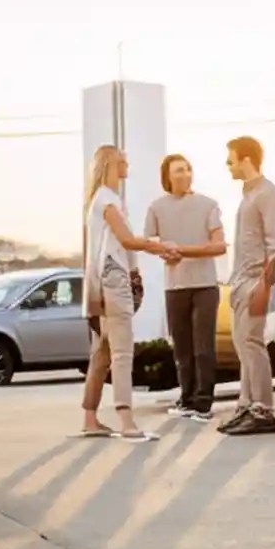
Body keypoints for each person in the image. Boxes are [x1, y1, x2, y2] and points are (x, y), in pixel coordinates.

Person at [81, 144, 176, 439]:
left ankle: (90, 420)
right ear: (110, 164)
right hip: (113, 278)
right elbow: (127, 240)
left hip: (101, 281)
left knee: (103, 353)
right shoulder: (108, 200)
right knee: (123, 352)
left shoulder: (100, 199)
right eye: (123, 161)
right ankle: (126, 421)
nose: (127, 166)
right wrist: (160, 246)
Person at [144, 154, 227, 423]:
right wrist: (164, 252)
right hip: (175, 286)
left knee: (203, 347)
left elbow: (219, 245)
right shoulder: (157, 207)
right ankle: (186, 398)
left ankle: (204, 402)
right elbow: (150, 241)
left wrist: (182, 250)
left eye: (187, 169)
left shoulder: (208, 205)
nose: (184, 174)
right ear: (167, 176)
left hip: (204, 285)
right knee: (181, 347)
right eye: (178, 170)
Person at [219, 135, 275, 436]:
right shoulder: (248, 194)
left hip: (256, 282)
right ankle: (246, 406)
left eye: (230, 159)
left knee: (253, 345)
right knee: (243, 345)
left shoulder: (267, 194)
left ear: (246, 159)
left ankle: (263, 410)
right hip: (241, 281)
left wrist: (265, 287)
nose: (227, 165)